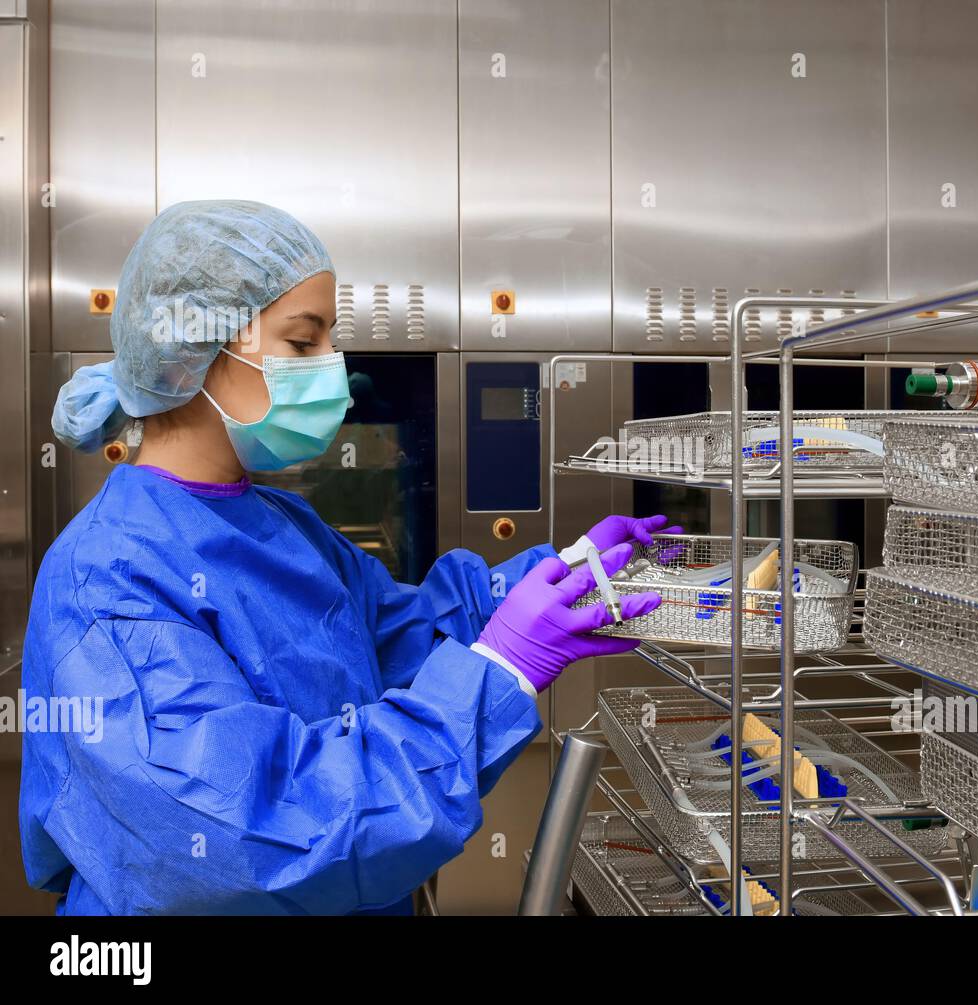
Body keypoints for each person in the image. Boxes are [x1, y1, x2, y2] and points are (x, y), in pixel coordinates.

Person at [20, 200, 675, 915]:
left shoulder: (280, 522)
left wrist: (551, 578)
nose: (332, 367)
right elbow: (256, 834)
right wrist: (502, 670)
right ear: (193, 353)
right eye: (303, 343)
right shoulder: (107, 576)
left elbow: (394, 635)